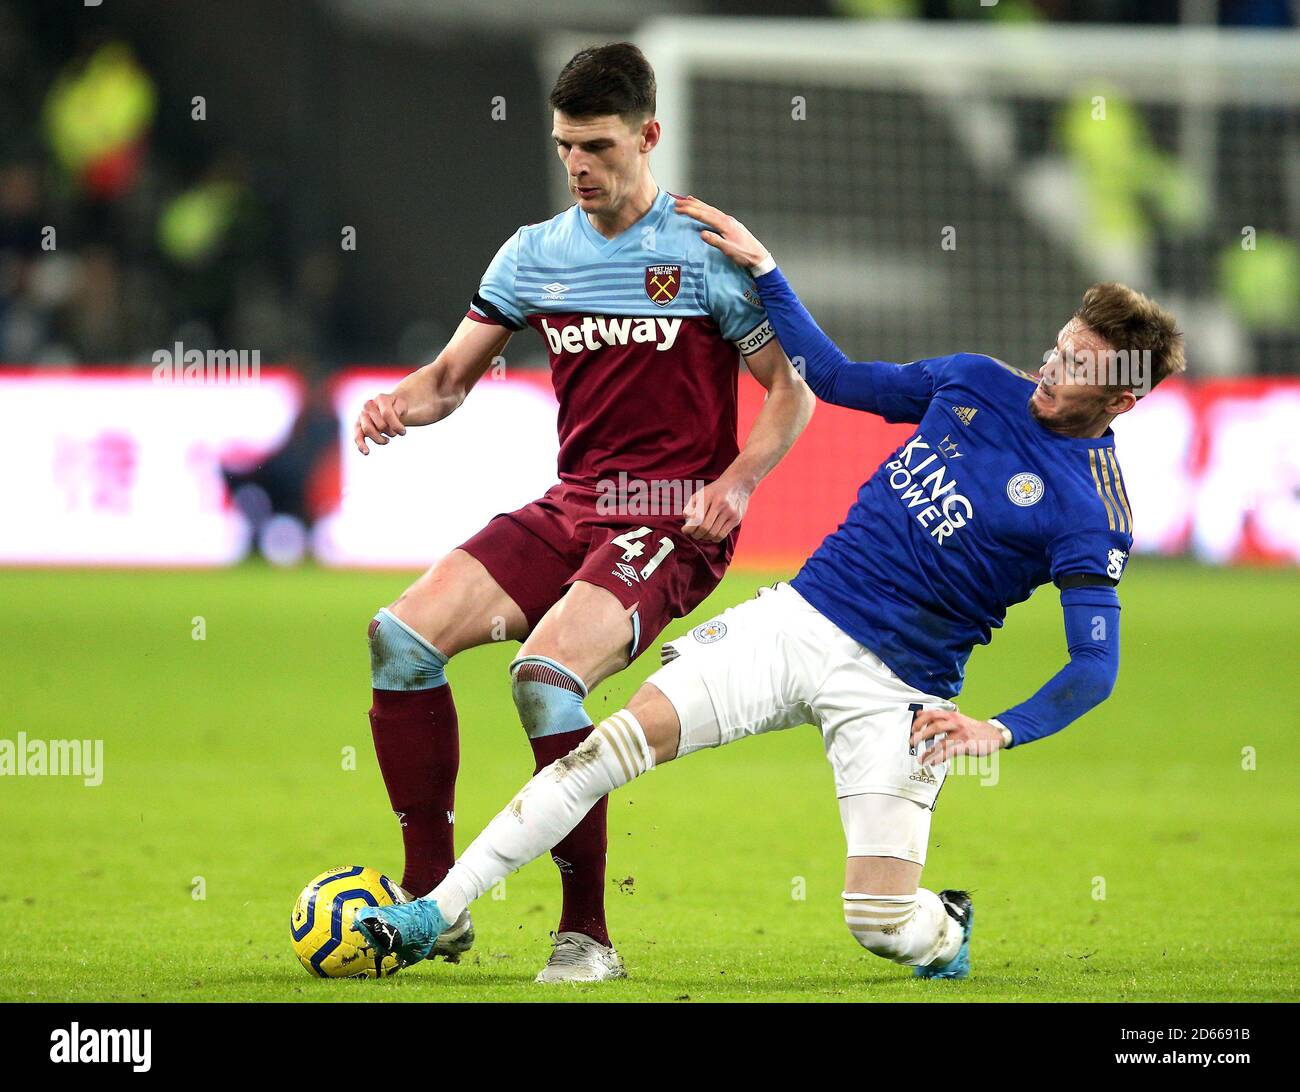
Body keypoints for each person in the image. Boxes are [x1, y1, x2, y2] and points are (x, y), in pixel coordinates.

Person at [353, 196, 1184, 982]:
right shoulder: (974, 381)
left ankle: (945, 927)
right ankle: (436, 910)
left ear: (1124, 397)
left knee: (880, 924)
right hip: (798, 619)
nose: (1052, 364)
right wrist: (767, 269)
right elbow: (835, 376)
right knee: (606, 749)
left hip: (902, 692)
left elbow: (1093, 667)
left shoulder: (1091, 510)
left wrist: (997, 730)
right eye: (1060, 343)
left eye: (1078, 364)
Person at [351, 55, 811, 982]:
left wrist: (740, 480)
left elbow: (789, 394)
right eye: (566, 147)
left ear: (647, 136)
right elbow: (447, 381)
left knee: (545, 677)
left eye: (597, 146)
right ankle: (433, 900)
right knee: (399, 639)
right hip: (572, 508)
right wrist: (394, 404)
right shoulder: (533, 254)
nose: (579, 166)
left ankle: (587, 936)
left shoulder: (707, 253)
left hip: (669, 523)